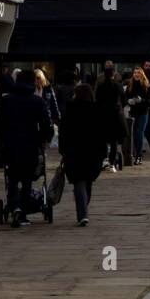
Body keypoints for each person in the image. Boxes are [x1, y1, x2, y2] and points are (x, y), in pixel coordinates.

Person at [0, 68, 53, 226]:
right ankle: (23, 211)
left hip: (10, 146)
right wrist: (43, 138)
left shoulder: (6, 100)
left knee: (12, 177)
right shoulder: (37, 102)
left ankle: (15, 206)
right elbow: (46, 126)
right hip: (30, 146)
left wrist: (4, 137)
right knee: (27, 180)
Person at [58, 83, 106, 225]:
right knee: (88, 180)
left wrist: (63, 150)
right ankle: (84, 209)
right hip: (93, 152)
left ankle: (82, 212)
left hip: (74, 152)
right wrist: (103, 151)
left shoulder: (70, 110)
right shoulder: (97, 110)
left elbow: (63, 132)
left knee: (79, 181)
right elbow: (102, 133)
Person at [95, 62, 126, 170]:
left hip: (103, 115)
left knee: (103, 139)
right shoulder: (118, 86)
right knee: (114, 141)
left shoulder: (101, 86)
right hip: (116, 115)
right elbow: (124, 99)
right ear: (113, 74)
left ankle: (104, 159)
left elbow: (97, 100)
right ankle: (112, 163)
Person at [124, 67, 150, 166]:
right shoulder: (130, 85)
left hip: (143, 112)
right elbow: (124, 97)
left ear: (142, 74)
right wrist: (129, 101)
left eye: (138, 72)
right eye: (135, 72)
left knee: (139, 133)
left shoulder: (147, 86)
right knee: (132, 134)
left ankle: (139, 156)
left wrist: (142, 100)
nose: (136, 74)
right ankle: (132, 154)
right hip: (132, 112)